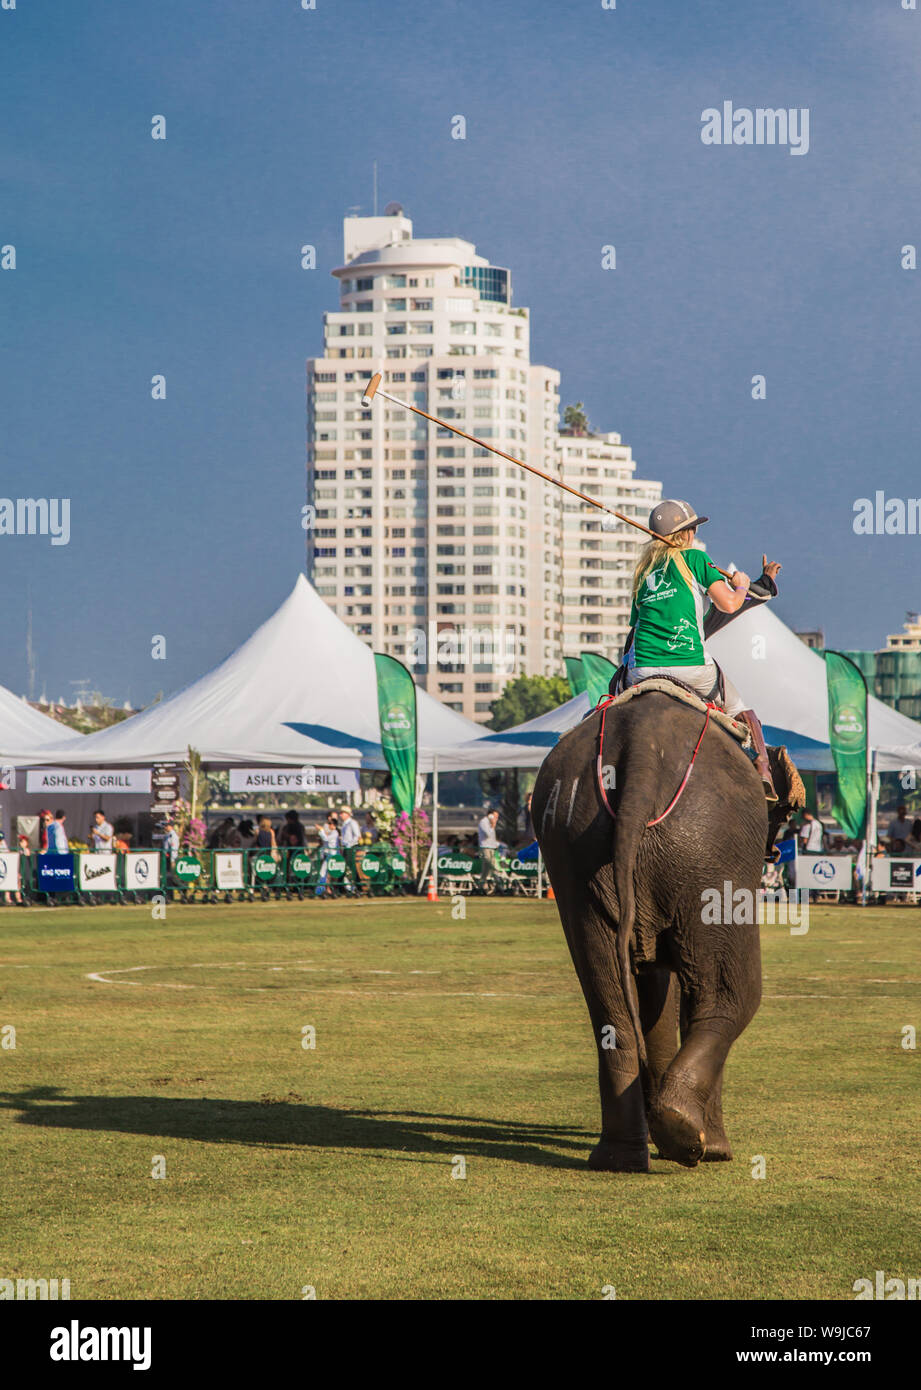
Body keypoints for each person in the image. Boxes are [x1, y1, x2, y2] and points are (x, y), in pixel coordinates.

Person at [625, 499, 779, 800]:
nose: (694, 534)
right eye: (692, 529)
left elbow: (635, 628)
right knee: (738, 706)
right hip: (691, 668)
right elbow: (731, 604)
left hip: (640, 670)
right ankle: (762, 768)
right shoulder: (695, 559)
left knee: (611, 700)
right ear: (684, 535)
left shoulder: (642, 572)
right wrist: (743, 583)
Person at [314, 813, 339, 897]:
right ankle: (323, 889)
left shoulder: (335, 833)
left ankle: (323, 890)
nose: (328, 825)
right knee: (324, 872)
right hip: (329, 855)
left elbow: (326, 838)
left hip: (332, 855)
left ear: (333, 825)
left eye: (330, 824)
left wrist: (320, 830)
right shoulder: (333, 832)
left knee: (325, 872)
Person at [338, 807, 361, 893]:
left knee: (351, 867)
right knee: (346, 866)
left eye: (343, 813)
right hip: (345, 847)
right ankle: (347, 887)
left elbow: (357, 836)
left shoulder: (352, 823)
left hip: (351, 847)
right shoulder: (344, 824)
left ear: (347, 814)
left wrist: (349, 844)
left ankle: (354, 886)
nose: (341, 815)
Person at [477, 809, 500, 886]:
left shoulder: (491, 824)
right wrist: (493, 825)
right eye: (495, 816)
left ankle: (481, 885)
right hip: (485, 847)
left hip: (492, 847)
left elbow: (493, 837)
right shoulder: (484, 822)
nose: (496, 819)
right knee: (491, 865)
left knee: (486, 869)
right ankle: (499, 883)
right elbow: (488, 834)